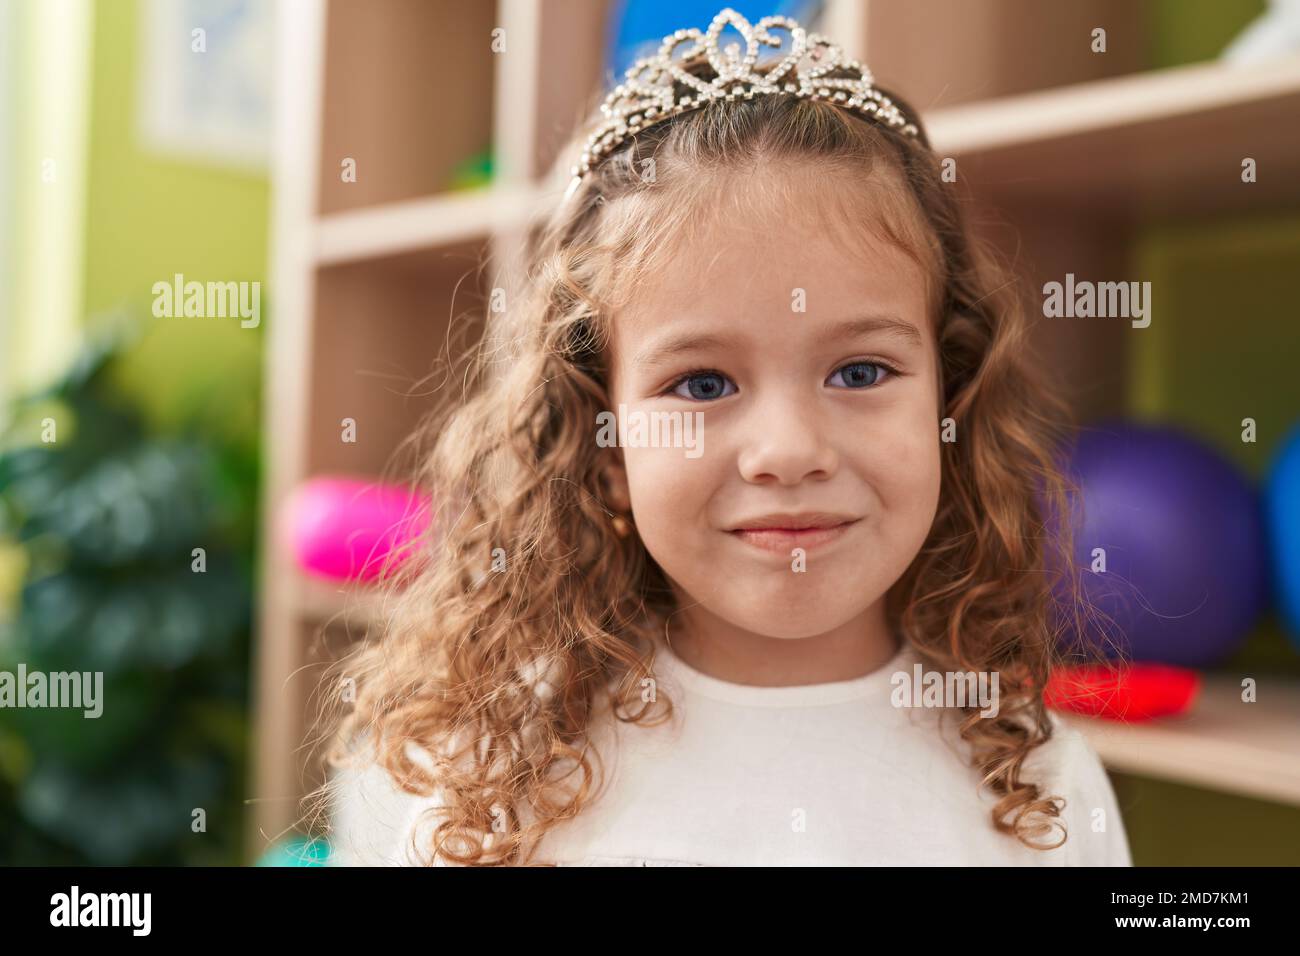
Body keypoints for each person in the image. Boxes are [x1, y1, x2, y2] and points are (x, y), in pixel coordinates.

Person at [311, 7, 1131, 867]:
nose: (787, 450)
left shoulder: (1043, 787)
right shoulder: (469, 776)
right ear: (605, 443)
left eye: (859, 372)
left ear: (950, 399)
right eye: (702, 384)